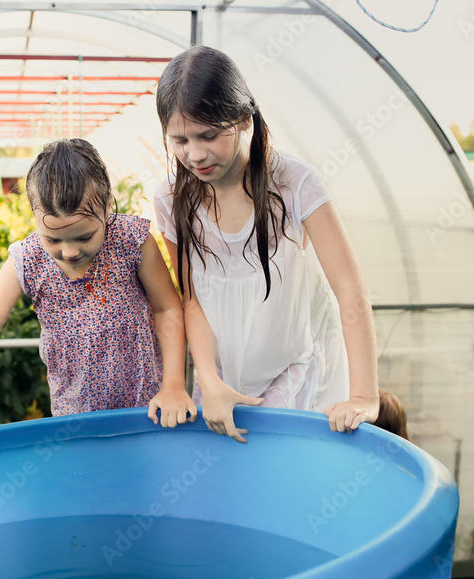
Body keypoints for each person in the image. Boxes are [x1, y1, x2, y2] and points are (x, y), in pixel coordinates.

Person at [153, 45, 379, 442]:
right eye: (180, 140)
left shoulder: (296, 184)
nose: (196, 154)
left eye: (209, 135)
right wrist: (208, 378)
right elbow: (191, 299)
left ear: (245, 120)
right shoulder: (172, 199)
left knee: (288, 476)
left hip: (295, 366)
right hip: (220, 373)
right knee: (225, 483)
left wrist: (363, 395)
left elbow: (349, 290)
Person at [0, 138, 197, 452]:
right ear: (34, 216)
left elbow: (167, 309)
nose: (70, 250)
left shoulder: (132, 240)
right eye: (54, 239)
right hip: (74, 426)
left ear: (106, 207)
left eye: (85, 236)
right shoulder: (27, 260)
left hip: (147, 414)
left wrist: (173, 386)